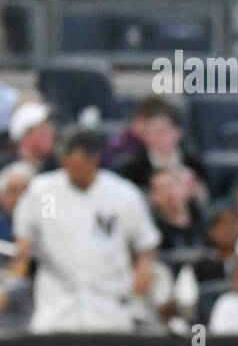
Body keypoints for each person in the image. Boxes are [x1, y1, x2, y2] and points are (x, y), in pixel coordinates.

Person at [3, 128, 160, 332]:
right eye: (66, 163)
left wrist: (144, 267)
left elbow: (146, 242)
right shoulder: (46, 194)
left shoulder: (122, 195)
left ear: (94, 160)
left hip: (109, 307)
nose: (71, 170)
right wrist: (24, 246)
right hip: (57, 308)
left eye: (77, 164)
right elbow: (31, 229)